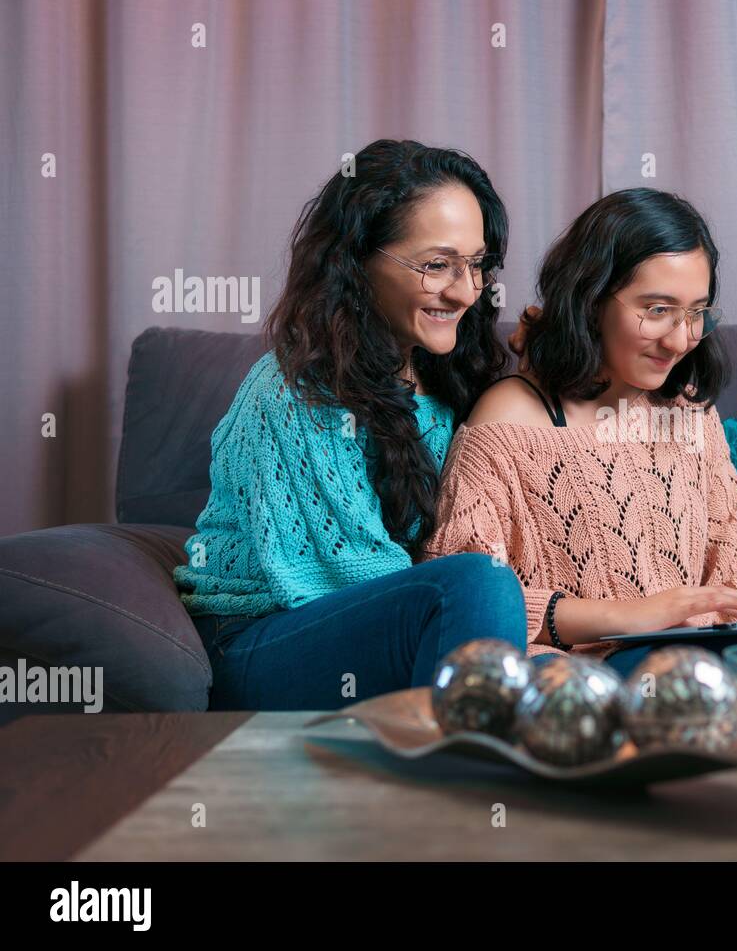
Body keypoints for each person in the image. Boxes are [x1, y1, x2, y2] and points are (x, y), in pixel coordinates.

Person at [173, 140, 527, 710]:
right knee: (478, 583)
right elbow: (359, 580)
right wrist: (527, 643)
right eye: (437, 265)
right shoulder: (292, 392)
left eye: (477, 264)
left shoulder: (446, 378)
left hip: (391, 620)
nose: (465, 290)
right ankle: (470, 788)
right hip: (265, 639)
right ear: (357, 261)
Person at [423, 187, 737, 679]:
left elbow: (733, 550)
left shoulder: (687, 408)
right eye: (656, 310)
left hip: (708, 651)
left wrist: (730, 619)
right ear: (591, 299)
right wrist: (634, 618)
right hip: (594, 672)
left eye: (697, 313)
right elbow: (469, 603)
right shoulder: (509, 425)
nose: (679, 340)